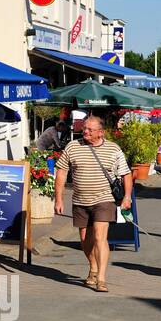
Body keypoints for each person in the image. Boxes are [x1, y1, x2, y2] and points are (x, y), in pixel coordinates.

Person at [54, 116, 132, 292]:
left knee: (99, 237)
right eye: (84, 128)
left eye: (90, 129)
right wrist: (58, 199)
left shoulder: (113, 149)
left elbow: (126, 174)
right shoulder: (73, 146)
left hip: (104, 199)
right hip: (80, 200)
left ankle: (101, 279)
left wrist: (127, 197)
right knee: (85, 239)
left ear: (101, 132)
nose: (85, 131)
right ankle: (93, 268)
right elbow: (61, 172)